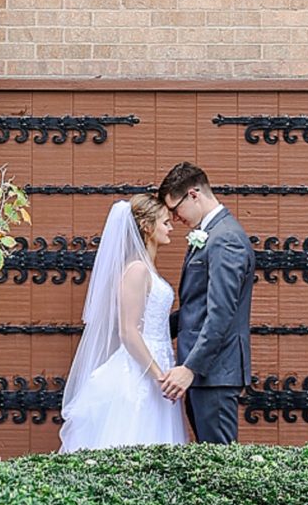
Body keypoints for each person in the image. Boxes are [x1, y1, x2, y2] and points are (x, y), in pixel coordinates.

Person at [58, 194, 189, 452]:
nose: (171, 227)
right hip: (142, 371)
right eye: (165, 222)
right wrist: (159, 376)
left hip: (158, 362)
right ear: (147, 227)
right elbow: (128, 332)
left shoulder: (147, 268)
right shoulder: (137, 270)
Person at [155, 162, 255, 445]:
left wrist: (191, 368)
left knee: (220, 466)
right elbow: (194, 310)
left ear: (194, 194)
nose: (175, 219)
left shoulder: (226, 240)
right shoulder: (212, 235)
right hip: (205, 374)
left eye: (175, 210)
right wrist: (151, 328)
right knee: (208, 461)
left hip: (215, 374)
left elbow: (220, 314)